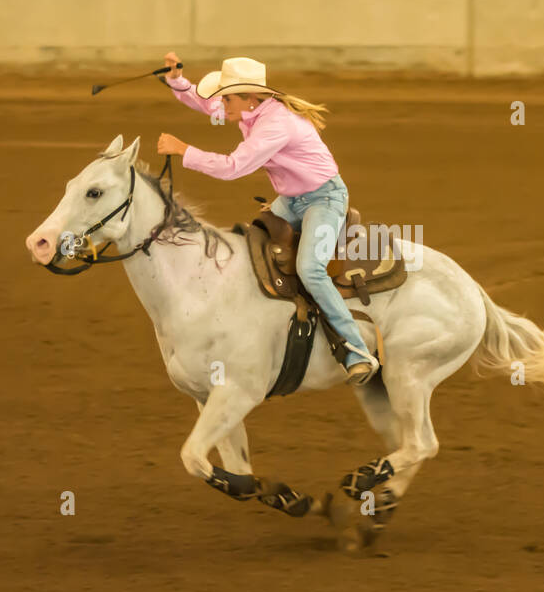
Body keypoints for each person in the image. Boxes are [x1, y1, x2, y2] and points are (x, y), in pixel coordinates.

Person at [154, 53, 379, 385]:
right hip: (292, 199)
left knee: (310, 269)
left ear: (249, 97)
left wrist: (185, 150)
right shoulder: (250, 110)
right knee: (249, 249)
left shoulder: (275, 125)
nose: (221, 104)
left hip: (324, 199)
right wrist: (178, 81)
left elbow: (233, 167)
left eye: (226, 97)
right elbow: (208, 107)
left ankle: (357, 351)